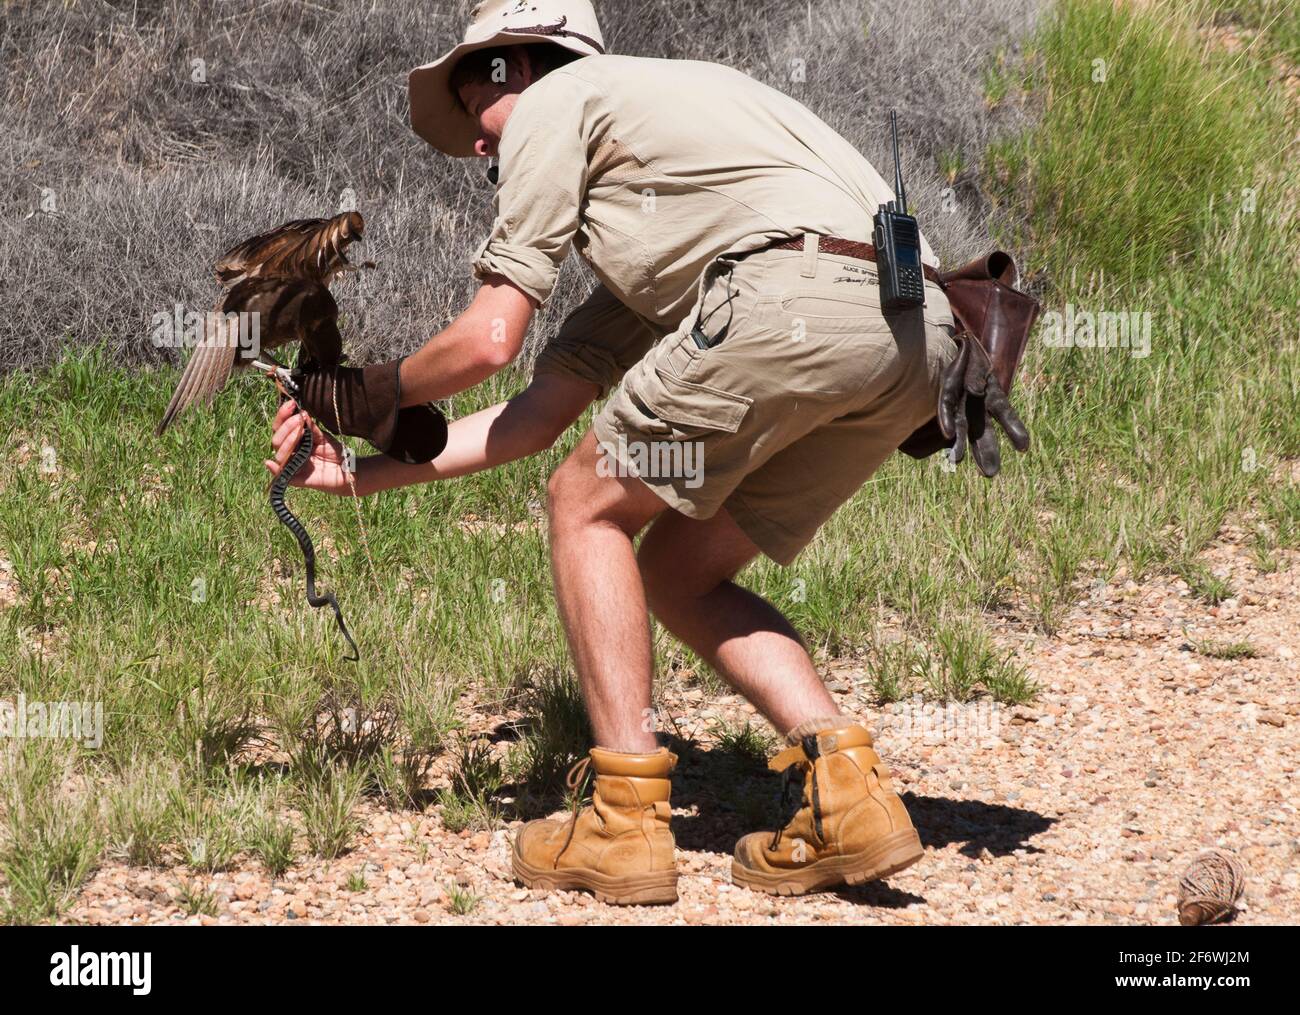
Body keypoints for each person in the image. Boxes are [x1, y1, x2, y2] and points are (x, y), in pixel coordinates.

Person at [267, 0, 959, 904]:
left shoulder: (565, 99)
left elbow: (488, 341)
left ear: (517, 67)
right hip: (921, 337)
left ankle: (625, 823)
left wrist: (376, 390)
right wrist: (361, 471)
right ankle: (849, 793)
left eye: (473, 102)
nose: (478, 147)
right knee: (677, 571)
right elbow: (537, 415)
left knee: (582, 504)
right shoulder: (670, 167)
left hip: (786, 294)